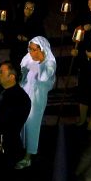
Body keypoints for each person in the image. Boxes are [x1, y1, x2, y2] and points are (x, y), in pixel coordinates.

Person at [0, 61, 31, 179]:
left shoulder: (22, 99)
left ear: (12, 77)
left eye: (2, 72)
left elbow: (12, 125)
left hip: (6, 150)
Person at [17, 36, 57, 168]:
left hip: (36, 99)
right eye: (30, 48)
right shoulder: (29, 56)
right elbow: (22, 70)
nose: (30, 52)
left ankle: (28, 156)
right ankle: (19, 147)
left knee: (31, 125)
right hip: (24, 94)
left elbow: (45, 77)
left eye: (34, 49)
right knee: (20, 122)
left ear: (41, 50)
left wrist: (40, 62)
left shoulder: (50, 63)